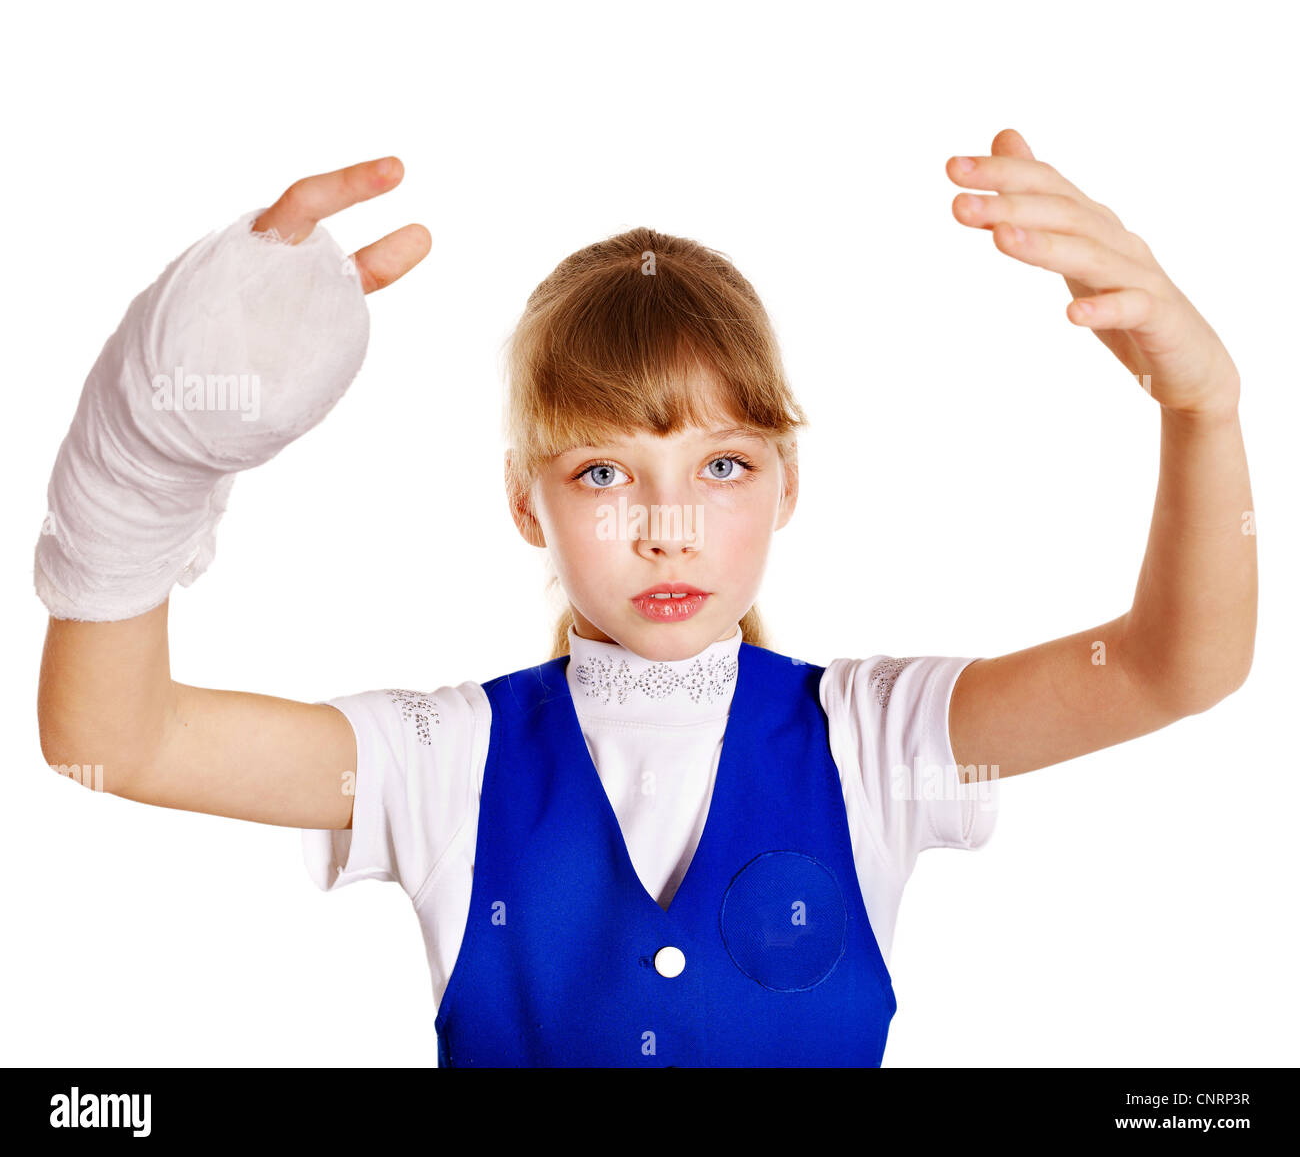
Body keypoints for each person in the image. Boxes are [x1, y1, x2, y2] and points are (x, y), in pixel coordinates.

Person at [35, 130, 1257, 1067]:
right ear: (527, 503)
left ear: (788, 483)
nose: (667, 524)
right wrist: (143, 462)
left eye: (720, 466)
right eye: (603, 471)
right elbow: (110, 741)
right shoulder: (440, 759)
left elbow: (1171, 668)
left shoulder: (879, 740)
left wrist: (1202, 406)